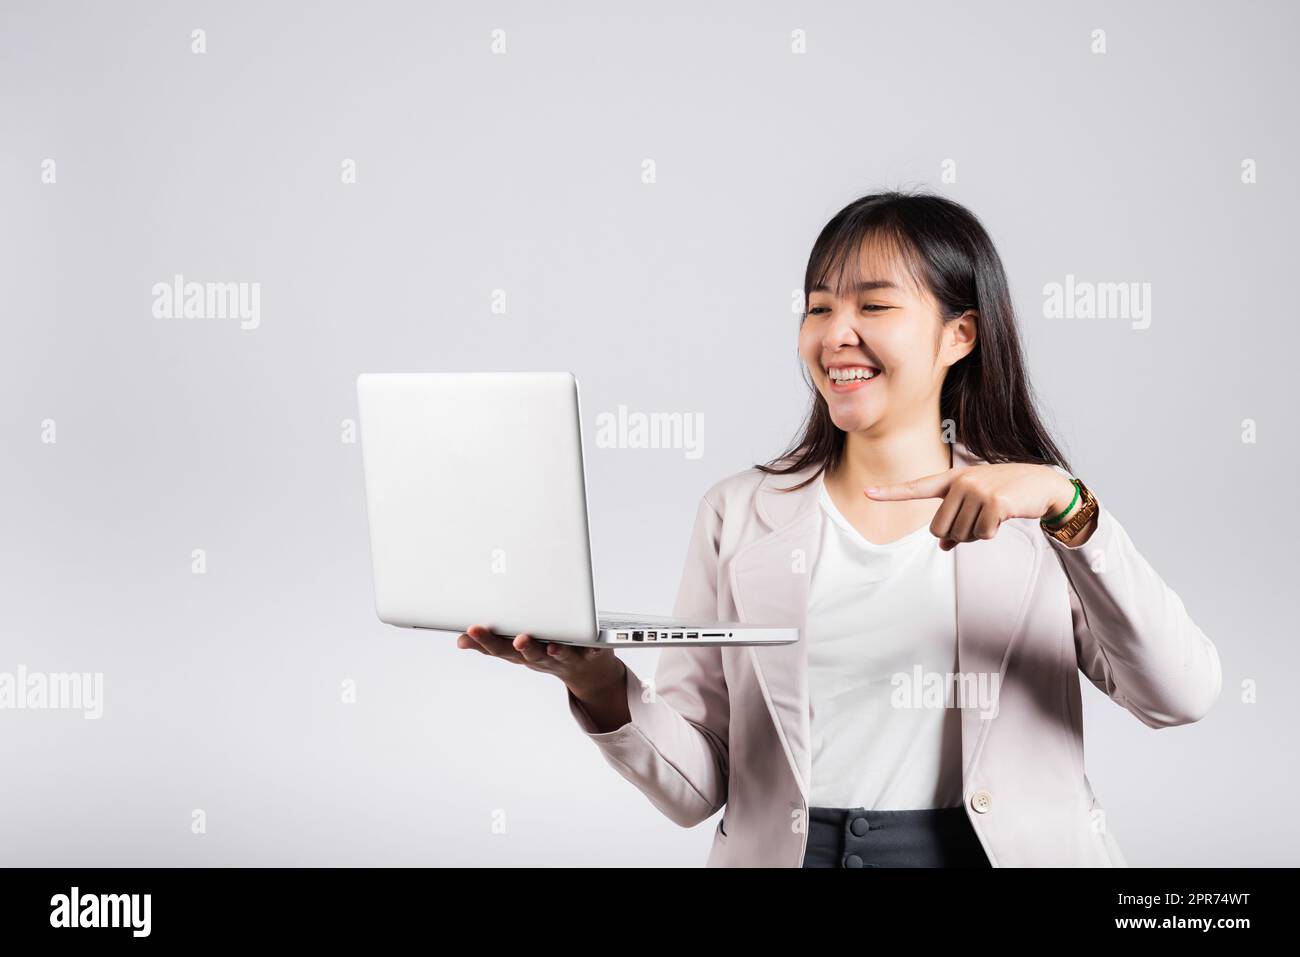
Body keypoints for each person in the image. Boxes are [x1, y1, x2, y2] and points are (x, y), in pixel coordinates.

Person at [456, 190, 1222, 867]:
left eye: (875, 305)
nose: (835, 335)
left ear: (960, 335)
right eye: (819, 306)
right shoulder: (737, 511)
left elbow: (1179, 693)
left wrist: (1067, 502)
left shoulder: (1041, 516)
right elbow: (697, 786)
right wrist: (600, 685)